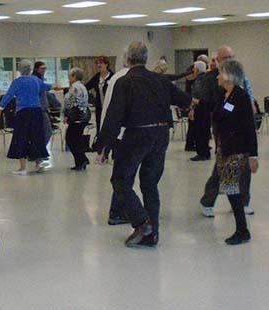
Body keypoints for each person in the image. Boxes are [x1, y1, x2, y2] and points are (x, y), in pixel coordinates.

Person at [93, 41, 192, 248]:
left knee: (120, 180)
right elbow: (184, 100)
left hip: (137, 135)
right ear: (146, 59)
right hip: (161, 134)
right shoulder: (160, 80)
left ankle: (141, 222)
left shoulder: (125, 82)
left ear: (127, 59)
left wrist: (103, 145)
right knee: (150, 185)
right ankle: (152, 233)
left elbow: (114, 117)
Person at [198, 46, 257, 217]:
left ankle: (243, 202)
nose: (230, 59)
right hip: (223, 130)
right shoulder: (213, 80)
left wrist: (250, 106)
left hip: (241, 129)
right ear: (218, 60)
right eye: (226, 57)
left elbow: (248, 96)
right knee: (222, 166)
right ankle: (208, 200)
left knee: (243, 165)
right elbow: (211, 107)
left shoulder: (239, 77)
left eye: (232, 56)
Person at [210, 59, 258, 245]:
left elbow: (249, 127)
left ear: (229, 76)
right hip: (224, 149)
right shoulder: (224, 95)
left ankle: (242, 229)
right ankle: (241, 228)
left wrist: (253, 155)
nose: (218, 77)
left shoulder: (240, 97)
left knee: (231, 189)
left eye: (221, 73)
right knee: (230, 189)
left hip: (236, 150)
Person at [0, 59, 53, 175]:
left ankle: (23, 168)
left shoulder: (17, 82)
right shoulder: (36, 80)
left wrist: (0, 108)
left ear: (20, 69)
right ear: (30, 69)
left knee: (21, 137)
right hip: (36, 111)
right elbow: (46, 87)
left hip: (23, 112)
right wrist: (55, 86)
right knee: (37, 137)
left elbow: (8, 95)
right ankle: (38, 164)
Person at [99, 59, 131, 226]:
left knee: (124, 176)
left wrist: (104, 143)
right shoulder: (123, 79)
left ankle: (123, 210)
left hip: (121, 136)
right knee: (124, 176)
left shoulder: (116, 78)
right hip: (125, 136)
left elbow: (106, 111)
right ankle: (117, 212)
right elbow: (111, 111)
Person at [64, 67, 91, 170]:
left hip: (77, 117)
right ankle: (81, 160)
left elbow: (72, 103)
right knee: (77, 139)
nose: (69, 78)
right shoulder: (82, 86)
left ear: (74, 76)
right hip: (82, 116)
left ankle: (81, 160)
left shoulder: (75, 87)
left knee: (71, 139)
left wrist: (67, 116)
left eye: (70, 76)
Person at [85, 56, 114, 137]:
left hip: (110, 106)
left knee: (109, 125)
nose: (98, 65)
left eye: (100, 63)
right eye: (97, 63)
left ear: (106, 64)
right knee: (99, 125)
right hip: (99, 106)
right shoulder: (97, 77)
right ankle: (99, 142)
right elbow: (86, 87)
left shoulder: (112, 76)